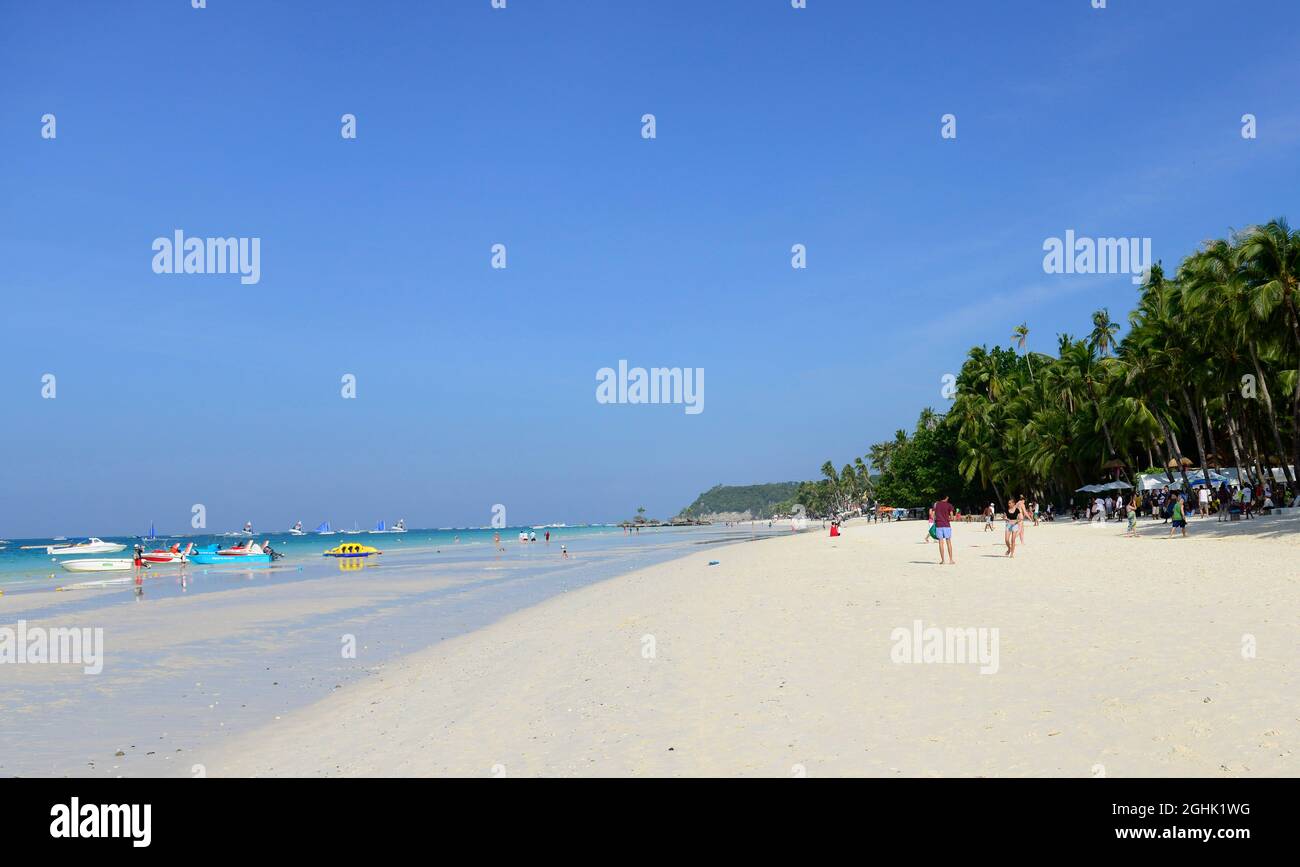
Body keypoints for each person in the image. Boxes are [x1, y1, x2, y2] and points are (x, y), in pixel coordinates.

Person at [932, 495, 955, 565]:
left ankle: (943, 560)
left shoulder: (936, 504)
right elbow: (952, 517)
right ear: (946, 497)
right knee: (948, 542)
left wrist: (936, 519)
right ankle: (951, 560)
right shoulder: (949, 505)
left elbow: (932, 515)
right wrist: (949, 519)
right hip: (946, 525)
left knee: (940, 543)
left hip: (939, 525)